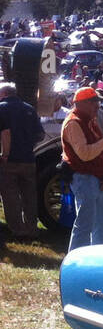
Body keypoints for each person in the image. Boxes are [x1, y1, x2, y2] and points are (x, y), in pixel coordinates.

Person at [63, 87, 103, 252]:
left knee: (101, 223)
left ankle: (101, 261)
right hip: (84, 177)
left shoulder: (89, 120)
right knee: (84, 224)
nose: (98, 105)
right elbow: (84, 154)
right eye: (95, 101)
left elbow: (99, 153)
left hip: (96, 178)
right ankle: (75, 264)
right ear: (83, 103)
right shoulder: (74, 123)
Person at [0, 82, 44, 239]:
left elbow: (4, 132)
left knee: (11, 196)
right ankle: (32, 229)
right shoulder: (29, 108)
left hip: (8, 160)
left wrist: (4, 152)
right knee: (29, 196)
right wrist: (28, 144)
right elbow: (41, 135)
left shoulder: (1, 108)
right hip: (28, 158)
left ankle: (18, 230)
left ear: (3, 94)